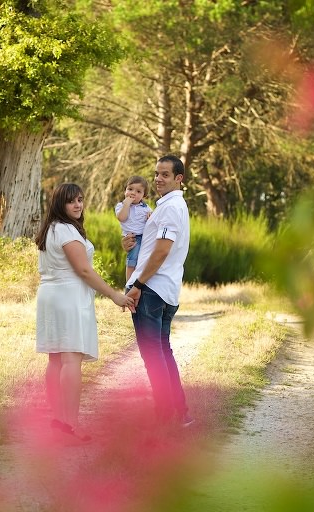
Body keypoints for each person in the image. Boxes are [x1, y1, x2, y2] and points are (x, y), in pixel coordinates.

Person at [35, 183, 135, 444]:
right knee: (69, 361)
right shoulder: (66, 229)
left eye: (80, 199)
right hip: (68, 296)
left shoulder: (52, 229)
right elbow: (84, 270)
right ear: (60, 204)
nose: (78, 205)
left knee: (56, 360)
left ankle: (58, 421)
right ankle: (69, 424)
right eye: (71, 201)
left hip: (51, 295)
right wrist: (114, 295)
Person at [123, 155, 193, 427]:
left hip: (152, 289)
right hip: (163, 288)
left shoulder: (171, 208)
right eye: (156, 173)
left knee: (154, 354)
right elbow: (152, 245)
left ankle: (165, 416)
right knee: (163, 351)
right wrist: (129, 245)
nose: (158, 179)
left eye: (165, 174)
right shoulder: (169, 206)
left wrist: (138, 284)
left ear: (179, 178)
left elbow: (163, 250)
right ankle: (180, 412)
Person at [114, 176, 152, 281]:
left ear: (144, 195)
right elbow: (122, 217)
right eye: (130, 189)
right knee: (132, 260)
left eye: (138, 191)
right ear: (125, 190)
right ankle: (129, 282)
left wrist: (150, 216)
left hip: (145, 236)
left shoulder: (145, 208)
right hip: (132, 237)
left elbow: (152, 221)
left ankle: (140, 281)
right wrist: (126, 204)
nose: (133, 193)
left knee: (143, 260)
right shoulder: (121, 206)